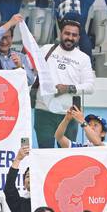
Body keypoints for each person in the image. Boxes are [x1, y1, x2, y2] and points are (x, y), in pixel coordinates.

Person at [35, 18, 94, 147]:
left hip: (69, 114)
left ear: (79, 37)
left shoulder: (83, 58)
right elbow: (31, 70)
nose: (70, 38)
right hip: (44, 110)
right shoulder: (46, 50)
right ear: (61, 33)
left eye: (74, 35)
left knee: (66, 156)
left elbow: (90, 87)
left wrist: (68, 88)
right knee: (45, 154)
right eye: (67, 33)